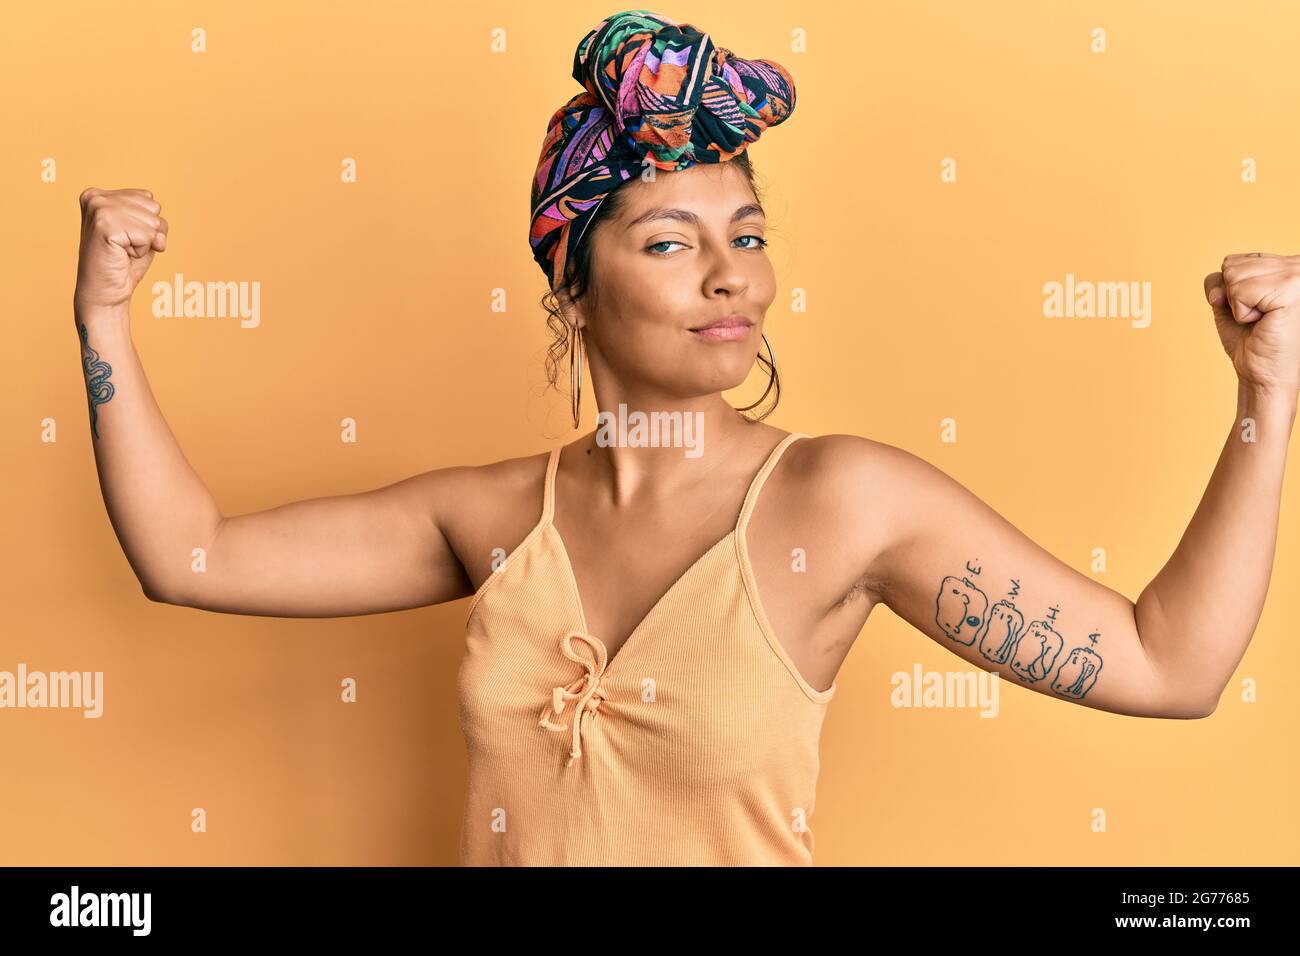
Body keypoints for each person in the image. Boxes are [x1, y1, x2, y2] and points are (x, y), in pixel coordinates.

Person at [71, 10, 1298, 865]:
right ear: (571, 284)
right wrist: (107, 319)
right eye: (668, 240)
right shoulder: (497, 517)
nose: (730, 276)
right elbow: (190, 558)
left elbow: (1168, 665)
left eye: (748, 233)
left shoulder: (839, 501)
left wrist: (1265, 393)